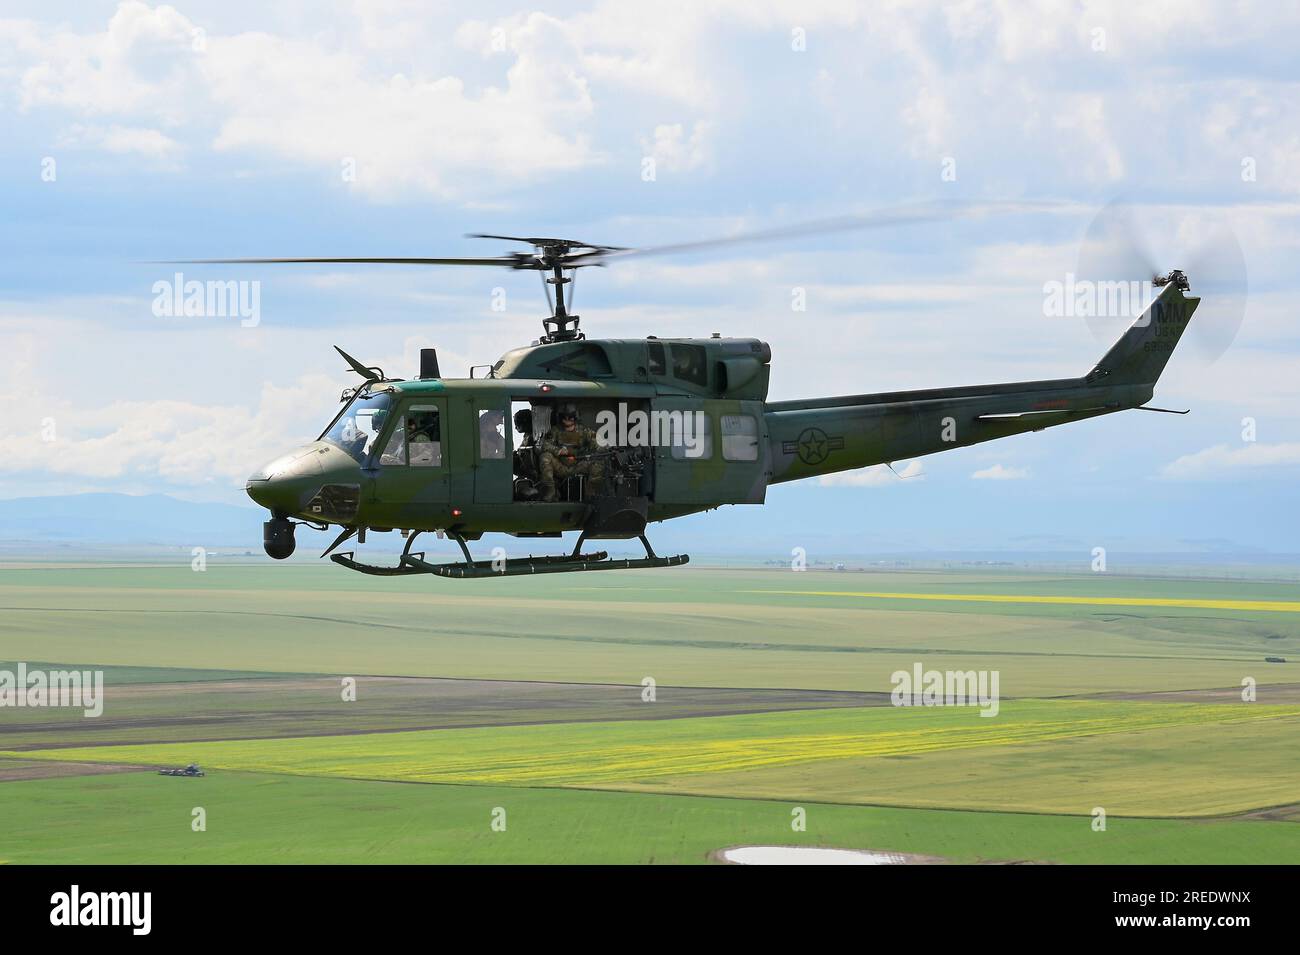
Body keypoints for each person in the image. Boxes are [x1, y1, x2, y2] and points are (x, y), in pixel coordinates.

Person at [538, 402, 604, 502]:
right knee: (545, 457)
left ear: (575, 417)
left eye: (570, 417)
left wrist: (600, 450)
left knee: (598, 463)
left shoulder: (584, 431)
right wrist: (558, 451)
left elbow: (599, 443)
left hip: (578, 465)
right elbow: (545, 445)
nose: (568, 420)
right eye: (565, 417)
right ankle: (550, 493)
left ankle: (591, 496)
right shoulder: (555, 431)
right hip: (560, 466)